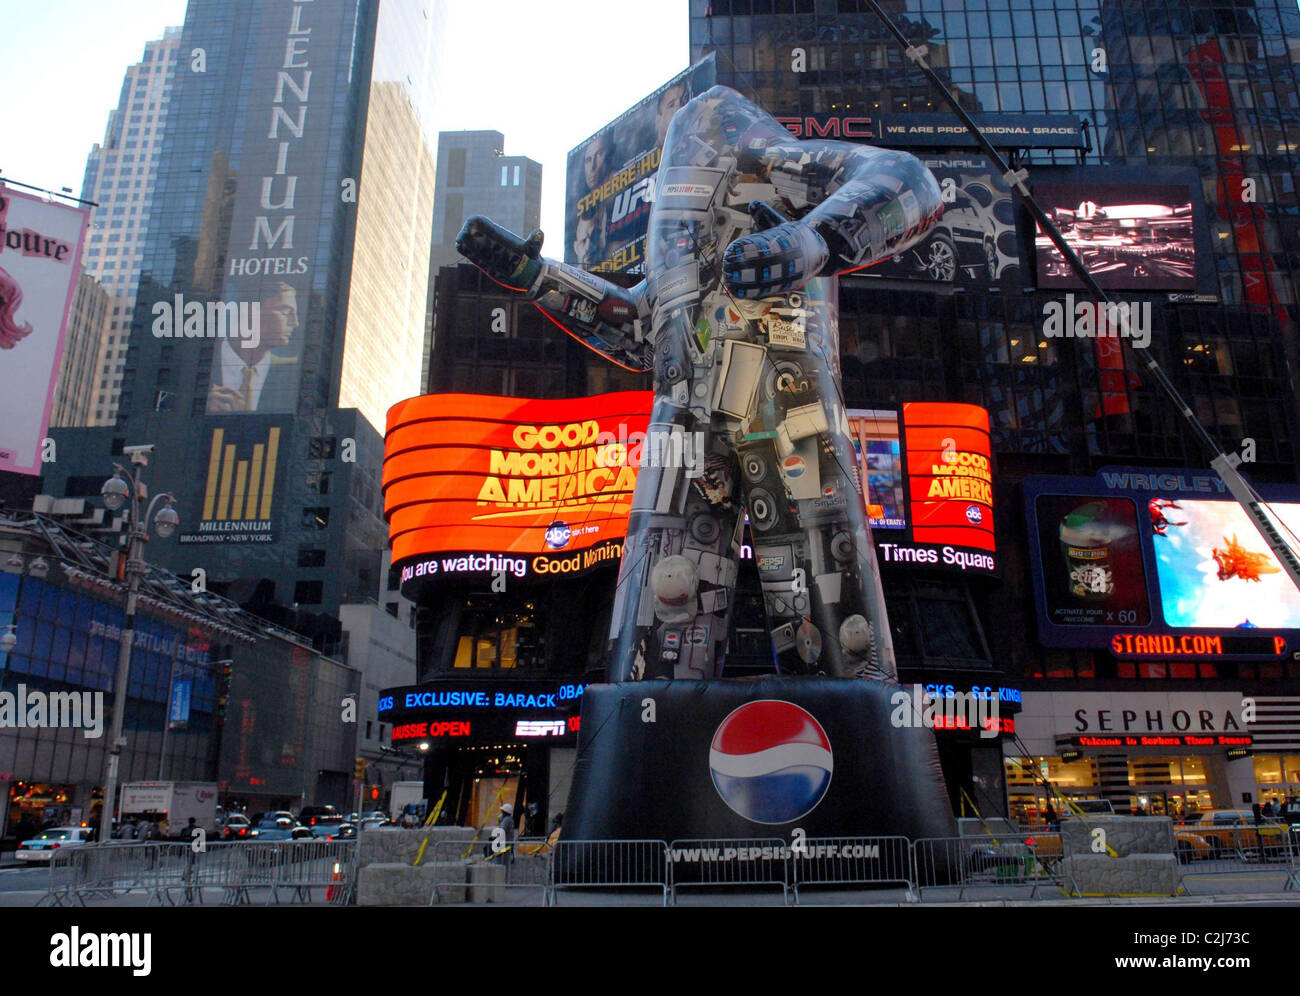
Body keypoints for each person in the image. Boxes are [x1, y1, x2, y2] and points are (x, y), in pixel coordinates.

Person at [458, 85, 944, 681]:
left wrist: (811, 240)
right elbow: (643, 327)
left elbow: (912, 181)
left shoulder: (766, 160)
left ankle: (684, 736)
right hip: (723, 417)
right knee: (705, 617)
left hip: (777, 406)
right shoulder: (702, 215)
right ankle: (819, 730)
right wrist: (535, 275)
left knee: (814, 611)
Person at [206, 281, 301, 413]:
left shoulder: (291, 373)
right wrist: (200, 407)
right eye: (285, 312)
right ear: (250, 313)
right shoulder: (198, 360)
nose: (295, 323)